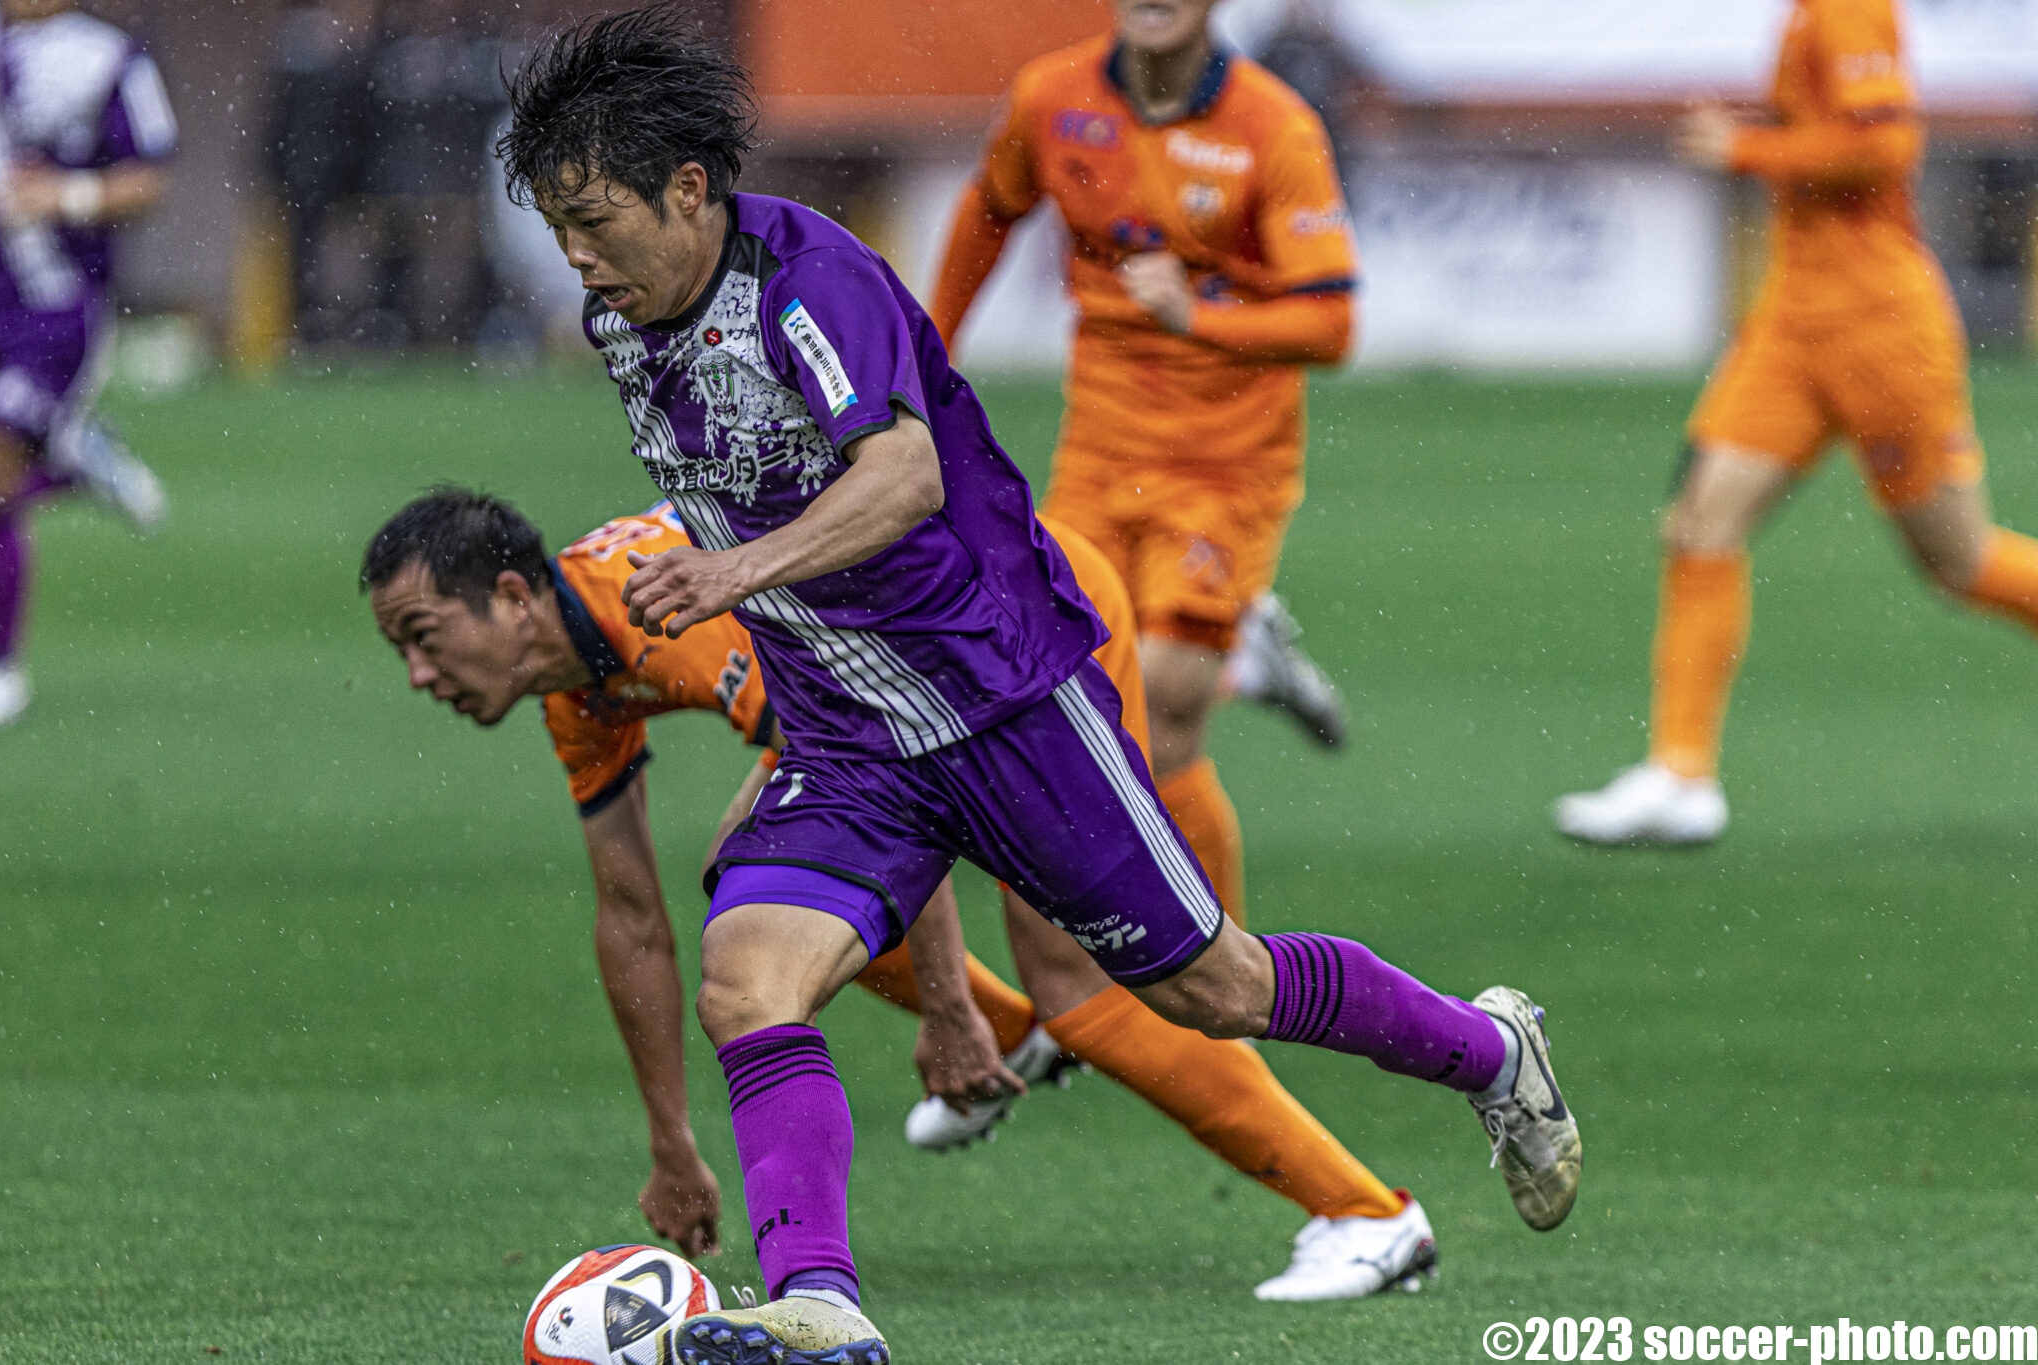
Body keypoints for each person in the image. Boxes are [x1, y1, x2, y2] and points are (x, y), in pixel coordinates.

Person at [500, 9, 1579, 1359]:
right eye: (558, 228)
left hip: (1006, 701)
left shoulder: (804, 281)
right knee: (747, 978)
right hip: (851, 740)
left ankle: (1490, 1053)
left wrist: (730, 578)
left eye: (594, 220)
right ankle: (821, 1304)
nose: (577, 258)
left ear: (690, 190)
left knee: (1215, 990)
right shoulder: (627, 322)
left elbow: (905, 479)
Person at [363, 489, 1442, 1301]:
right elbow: (631, 921)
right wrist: (670, 1142)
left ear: (511, 599)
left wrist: (944, 1008)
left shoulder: (667, 614)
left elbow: (879, 782)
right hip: (931, 676)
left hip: (1029, 617)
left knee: (1096, 980)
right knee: (755, 884)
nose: (418, 675)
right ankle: (1023, 1038)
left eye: (423, 636)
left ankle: (1365, 1212)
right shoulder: (577, 685)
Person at [1555, 0, 2038, 845]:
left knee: (1959, 563)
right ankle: (1680, 774)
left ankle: (1679, 773)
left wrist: (1745, 147)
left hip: (1877, 323)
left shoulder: (1850, 8)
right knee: (1701, 523)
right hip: (1796, 317)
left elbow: (1885, 147)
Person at [929, 0, 1360, 930]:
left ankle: (1227, 989)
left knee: (1161, 720)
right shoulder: (1055, 98)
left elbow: (1331, 325)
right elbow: (989, 208)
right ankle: (1086, 989)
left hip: (1225, 468)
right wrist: (930, 354)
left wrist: (1196, 318)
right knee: (1055, 700)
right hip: (1102, 451)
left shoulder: (1272, 128)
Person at [0, 0, 173, 728]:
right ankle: (70, 457)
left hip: (53, 309)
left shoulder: (108, 59)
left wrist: (65, 195)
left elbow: (151, 173)